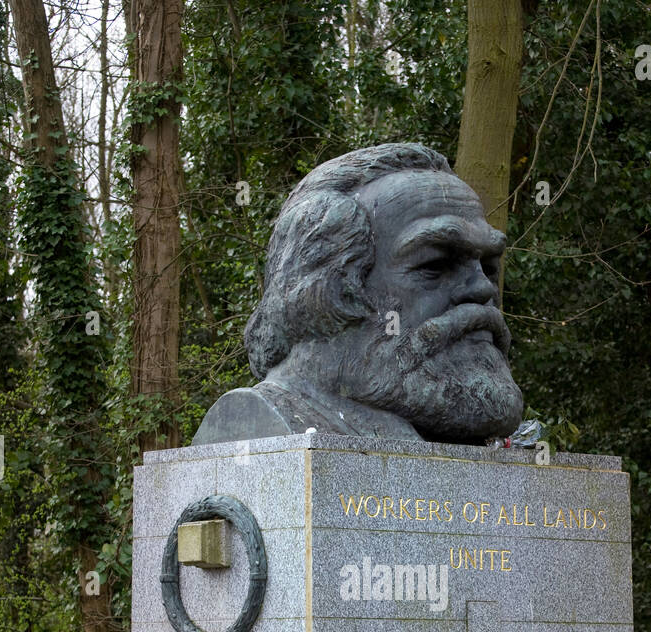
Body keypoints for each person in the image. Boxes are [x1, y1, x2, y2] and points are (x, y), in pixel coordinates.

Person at [192, 143, 523, 446]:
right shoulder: (251, 427)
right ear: (326, 291)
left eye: (489, 267)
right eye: (436, 265)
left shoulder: (442, 429)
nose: (482, 288)